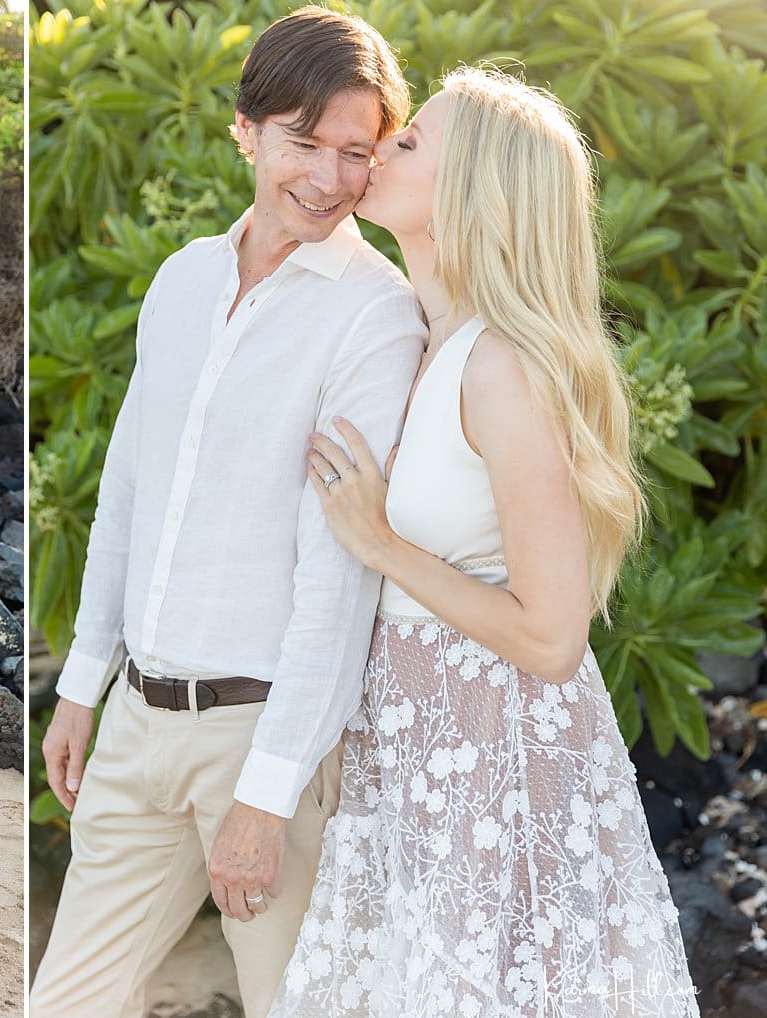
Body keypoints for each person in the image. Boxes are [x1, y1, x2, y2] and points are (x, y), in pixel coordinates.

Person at [268, 67, 698, 1015]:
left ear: (475, 189)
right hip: (420, 749)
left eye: (411, 141)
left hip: (493, 750)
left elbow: (553, 638)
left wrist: (379, 543)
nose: (380, 150)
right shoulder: (428, 339)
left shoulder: (501, 363)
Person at [30, 6, 426, 1018]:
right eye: (305, 142)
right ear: (245, 131)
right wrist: (82, 682)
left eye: (355, 152)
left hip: (263, 739)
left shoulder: (374, 314)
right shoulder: (180, 278)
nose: (331, 181)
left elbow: (340, 572)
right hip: (134, 723)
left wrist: (268, 788)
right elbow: (128, 484)